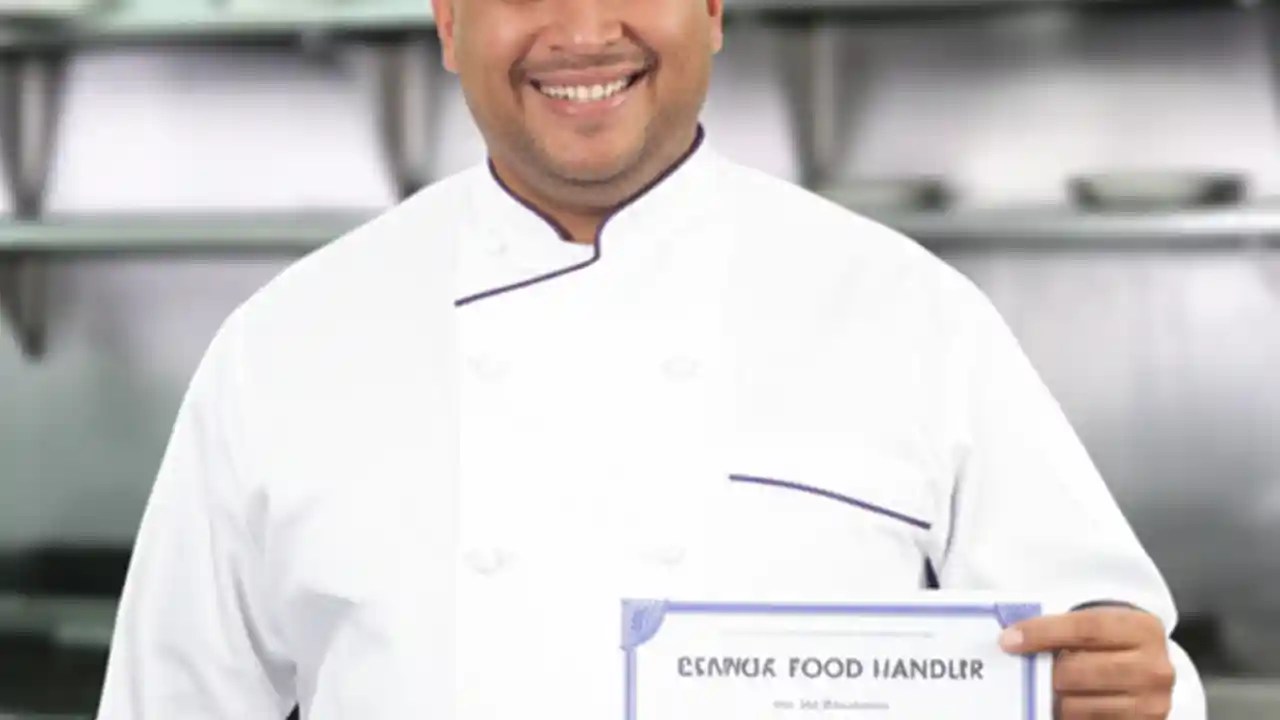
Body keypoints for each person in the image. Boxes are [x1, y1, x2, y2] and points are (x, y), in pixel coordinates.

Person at [97, 1, 1204, 718]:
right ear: (444, 20)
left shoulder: (909, 314)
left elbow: (1123, 665)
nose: (584, 30)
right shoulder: (284, 347)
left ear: (712, 10)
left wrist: (1137, 691)